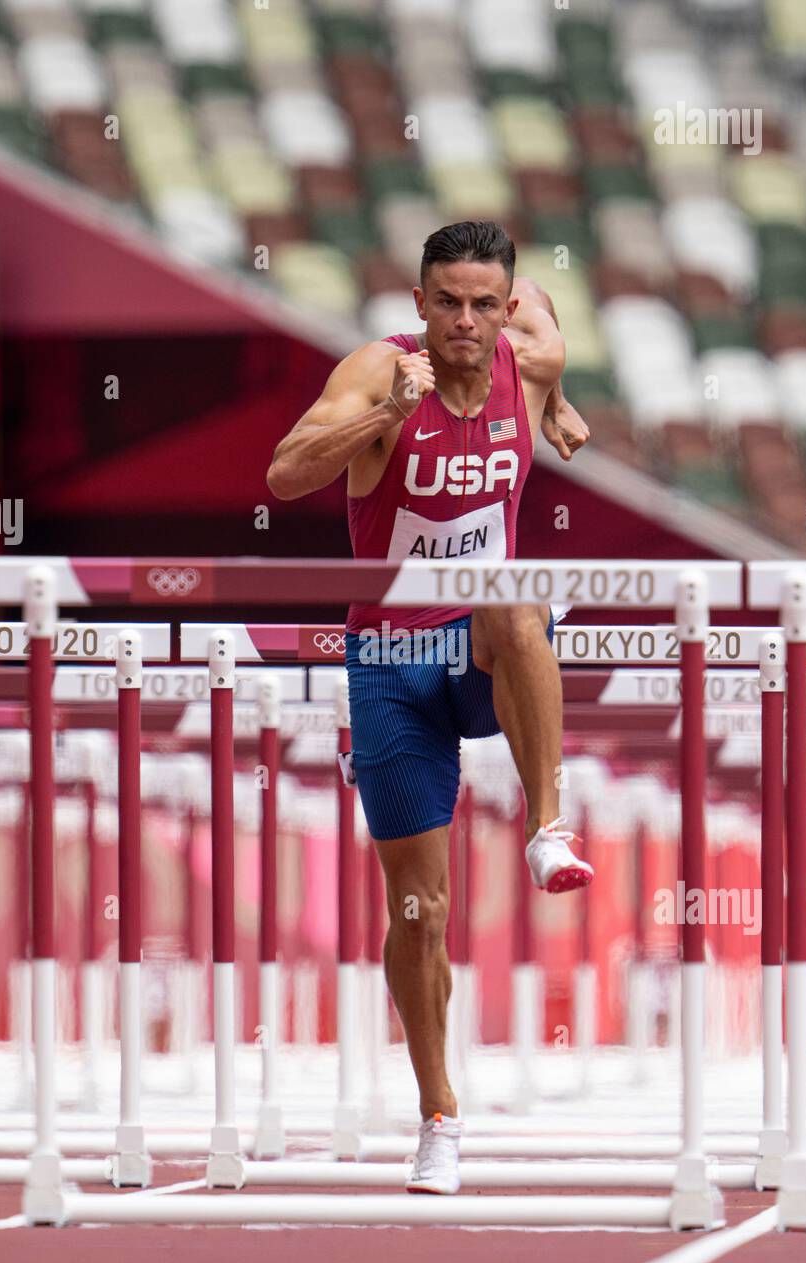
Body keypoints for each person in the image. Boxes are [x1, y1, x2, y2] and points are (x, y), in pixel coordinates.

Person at [268, 220, 593, 1194]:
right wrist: (378, 421)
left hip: (479, 647)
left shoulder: (526, 355)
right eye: (443, 301)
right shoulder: (378, 369)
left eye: (481, 303)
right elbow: (282, 476)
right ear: (415, 303)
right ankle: (437, 1114)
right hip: (390, 655)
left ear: (505, 309)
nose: (463, 319)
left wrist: (562, 401)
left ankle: (548, 827)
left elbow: (548, 337)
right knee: (417, 913)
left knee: (512, 596)